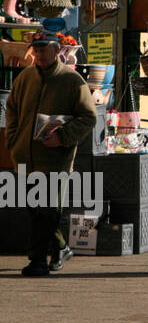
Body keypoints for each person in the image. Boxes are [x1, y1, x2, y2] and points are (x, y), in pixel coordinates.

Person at [3, 32, 97, 276]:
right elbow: (11, 109)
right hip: (24, 156)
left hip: (55, 159)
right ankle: (61, 247)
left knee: (48, 211)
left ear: (57, 51)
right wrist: (13, 139)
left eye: (44, 50)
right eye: (36, 50)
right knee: (35, 209)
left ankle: (38, 261)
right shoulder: (25, 77)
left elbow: (89, 118)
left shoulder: (71, 81)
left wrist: (63, 137)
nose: (39, 55)